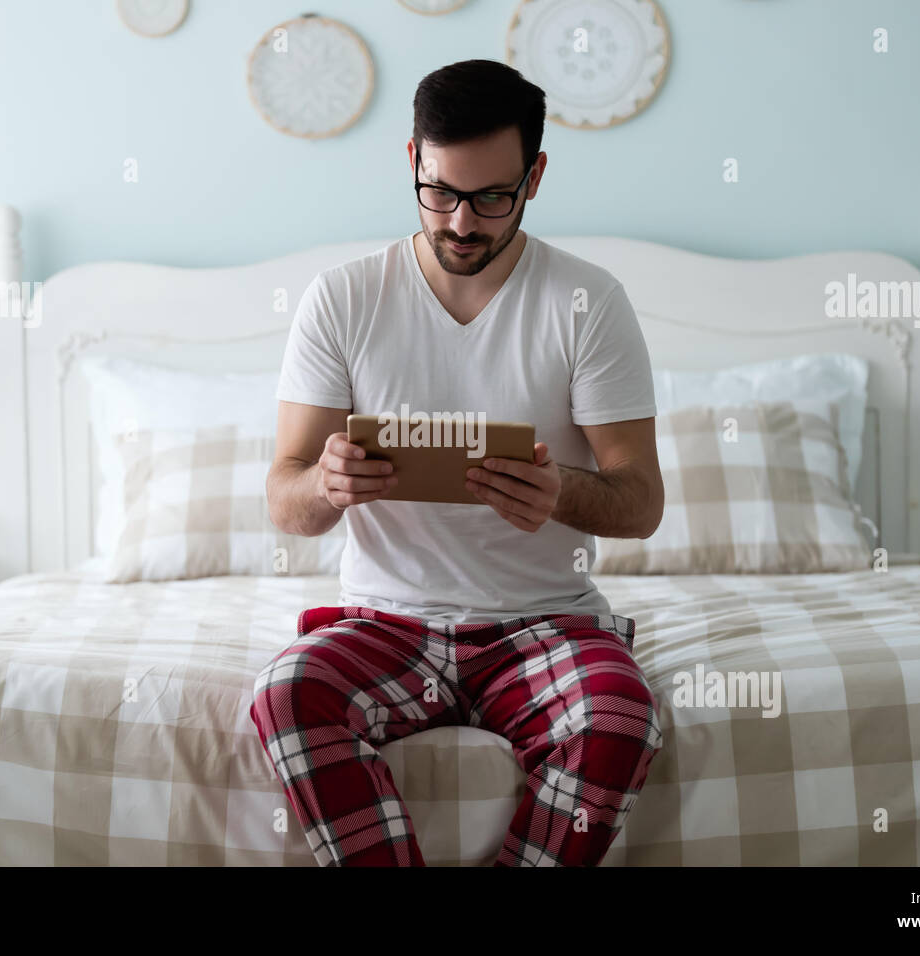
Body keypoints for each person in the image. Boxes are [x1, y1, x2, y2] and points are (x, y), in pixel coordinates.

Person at [251, 59, 665, 867]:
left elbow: (640, 501)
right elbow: (284, 495)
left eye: (492, 197)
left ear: (536, 177)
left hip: (546, 620)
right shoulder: (343, 298)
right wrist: (326, 485)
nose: (462, 223)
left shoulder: (588, 302)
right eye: (439, 191)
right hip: (385, 620)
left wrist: (559, 494)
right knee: (284, 695)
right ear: (412, 161)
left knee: (620, 718)